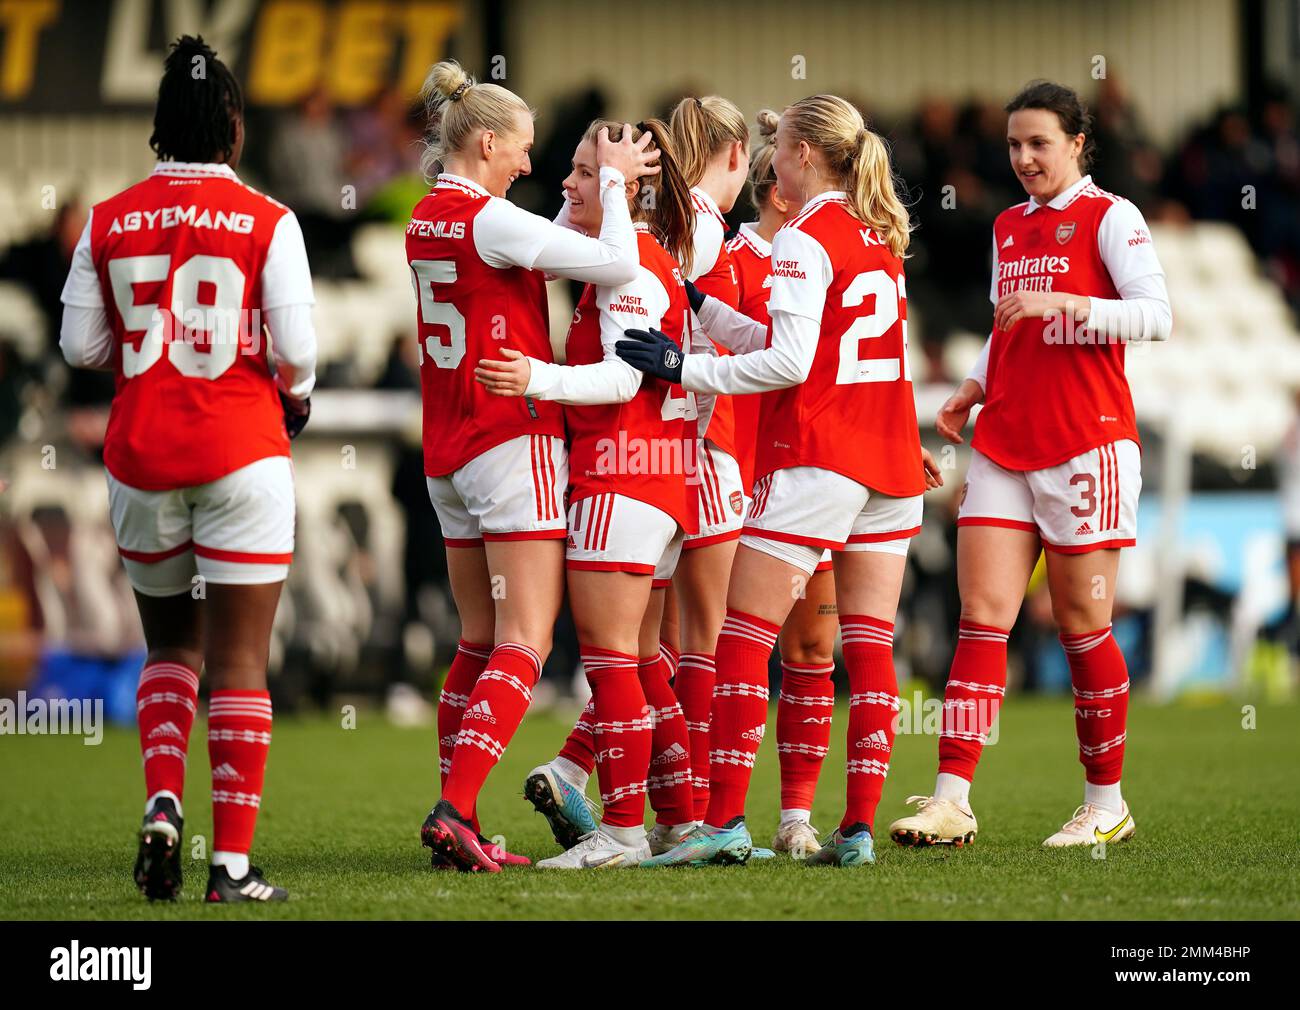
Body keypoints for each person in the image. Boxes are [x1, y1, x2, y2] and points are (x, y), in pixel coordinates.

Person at [618, 94, 941, 867]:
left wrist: (684, 364)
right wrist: (704, 309)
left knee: (743, 630)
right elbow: (808, 343)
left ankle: (724, 822)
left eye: (778, 153)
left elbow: (792, 366)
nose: (769, 165)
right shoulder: (880, 233)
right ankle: (857, 831)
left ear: (800, 156)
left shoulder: (801, 237)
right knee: (866, 648)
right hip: (890, 461)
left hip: (822, 456)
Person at [58, 36, 317, 902]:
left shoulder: (107, 215)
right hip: (243, 450)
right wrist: (298, 392)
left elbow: (78, 344)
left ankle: (164, 801)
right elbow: (301, 355)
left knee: (171, 646)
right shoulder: (269, 219)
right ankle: (231, 868)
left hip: (141, 455)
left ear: (158, 130)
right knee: (240, 661)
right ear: (235, 130)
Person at [888, 80, 1171, 850]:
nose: (1023, 158)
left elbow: (1156, 313)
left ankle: (1105, 802)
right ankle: (952, 798)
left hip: (1088, 442)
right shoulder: (1008, 225)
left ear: (1078, 143)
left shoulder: (1113, 216)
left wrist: (1069, 304)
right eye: (1014, 144)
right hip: (1005, 440)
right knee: (982, 618)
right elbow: (1003, 322)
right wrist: (974, 385)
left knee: (1084, 624)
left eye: (1039, 143)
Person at [408, 60, 659, 873]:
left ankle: (464, 819)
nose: (529, 164)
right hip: (509, 442)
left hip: (447, 452)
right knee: (525, 640)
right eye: (520, 149)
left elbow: (532, 243)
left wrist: (583, 198)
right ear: (486, 143)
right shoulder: (490, 221)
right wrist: (614, 187)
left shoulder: (429, 217)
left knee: (477, 638)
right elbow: (616, 264)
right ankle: (456, 808)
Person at [476, 118, 698, 867]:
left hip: (622, 476)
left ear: (622, 187)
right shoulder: (642, 258)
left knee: (609, 663)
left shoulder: (629, 267)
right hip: (660, 481)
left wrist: (535, 378)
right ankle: (679, 819)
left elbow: (623, 376)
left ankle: (622, 833)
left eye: (581, 171)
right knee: (640, 663)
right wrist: (609, 182)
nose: (566, 183)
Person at [725, 110, 840, 856]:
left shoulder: (833, 248)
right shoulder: (731, 259)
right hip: (734, 475)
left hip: (815, 470)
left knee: (810, 650)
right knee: (710, 646)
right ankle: (698, 812)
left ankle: (795, 816)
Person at [665, 95, 751, 823]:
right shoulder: (700, 225)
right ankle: (690, 808)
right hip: (698, 438)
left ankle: (663, 804)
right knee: (708, 636)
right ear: (737, 154)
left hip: (651, 447)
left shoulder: (666, 217)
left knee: (658, 641)